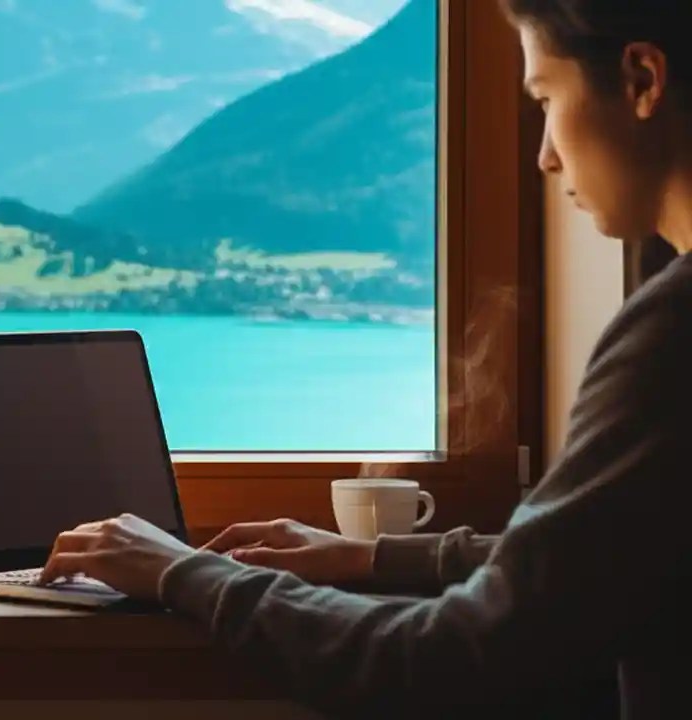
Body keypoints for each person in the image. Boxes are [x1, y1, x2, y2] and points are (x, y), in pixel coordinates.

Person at [39, 1, 692, 717]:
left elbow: (454, 657)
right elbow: (585, 565)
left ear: (641, 79)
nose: (545, 154)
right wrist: (371, 556)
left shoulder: (671, 336)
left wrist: (185, 574)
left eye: (544, 98)